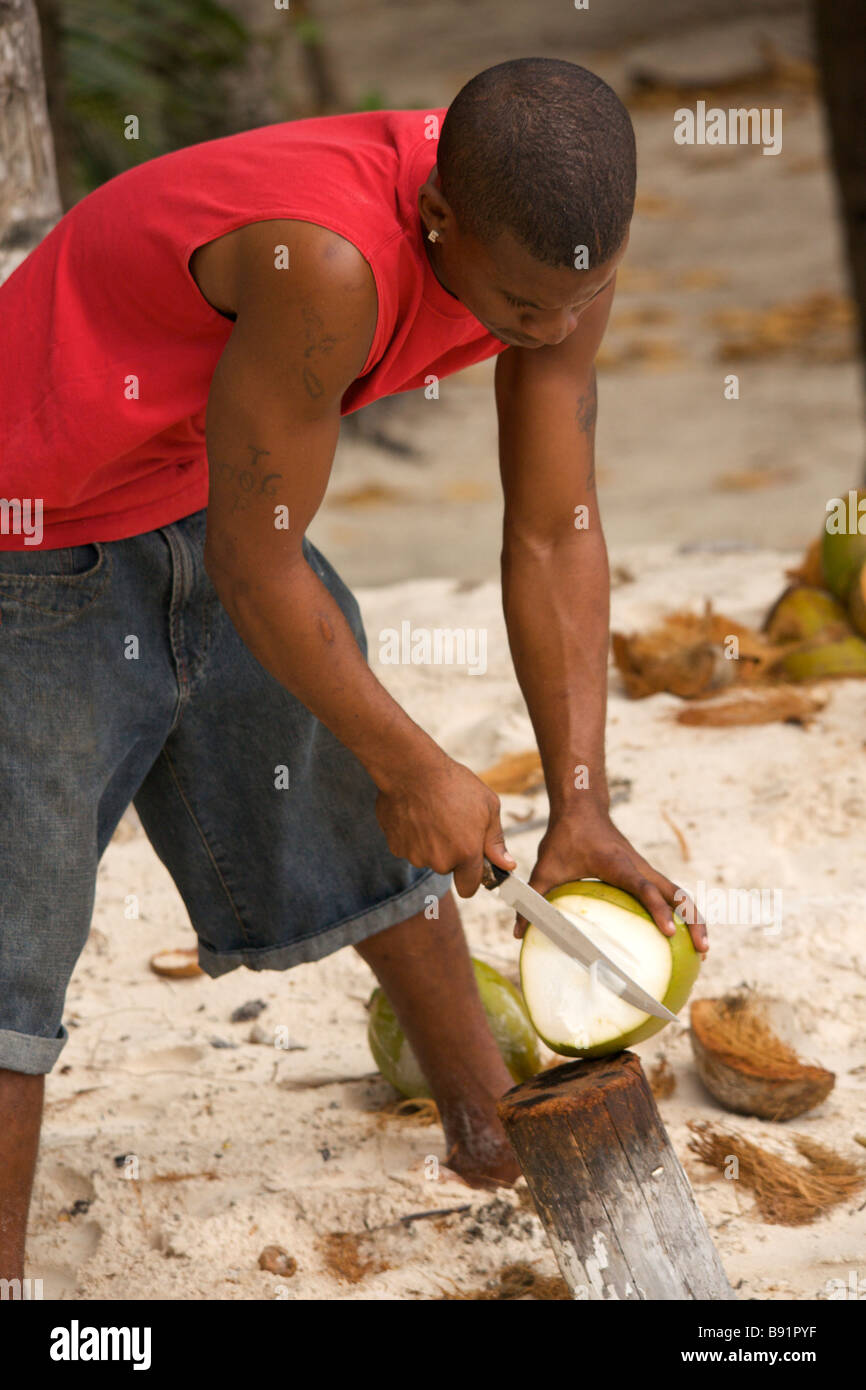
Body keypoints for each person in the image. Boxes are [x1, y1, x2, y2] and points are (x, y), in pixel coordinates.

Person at [0, 56, 706, 1285]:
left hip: (190, 477)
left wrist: (580, 801)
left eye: (574, 300)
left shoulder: (557, 247)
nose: (546, 331)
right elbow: (257, 568)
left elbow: (552, 528)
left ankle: (492, 1126)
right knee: (15, 931)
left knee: (366, 803)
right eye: (518, 307)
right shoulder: (326, 263)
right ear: (438, 221)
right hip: (32, 521)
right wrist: (415, 759)